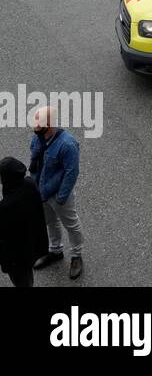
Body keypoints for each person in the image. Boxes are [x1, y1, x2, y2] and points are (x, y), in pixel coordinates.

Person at [29, 106, 83, 280]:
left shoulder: (67, 144)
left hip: (59, 194)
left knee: (71, 224)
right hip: (41, 191)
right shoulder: (38, 137)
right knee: (51, 222)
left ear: (49, 125)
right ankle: (55, 251)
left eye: (39, 124)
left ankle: (77, 255)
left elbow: (71, 172)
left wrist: (61, 197)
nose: (35, 127)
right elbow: (34, 158)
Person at [0, 157, 47, 288]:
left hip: (16, 257)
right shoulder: (29, 185)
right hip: (32, 243)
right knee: (27, 277)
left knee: (22, 281)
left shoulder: (5, 207)